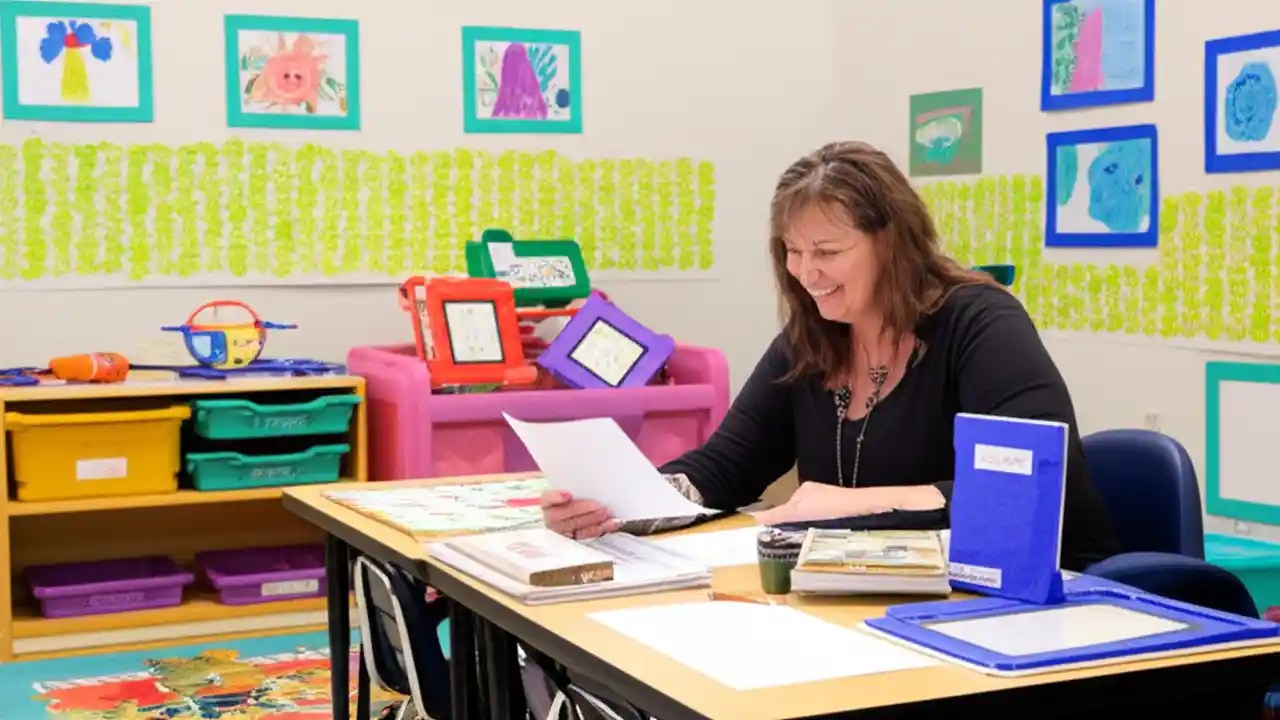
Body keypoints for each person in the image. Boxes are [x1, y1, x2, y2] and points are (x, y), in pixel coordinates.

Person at [541, 141, 1120, 572]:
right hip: (885, 593)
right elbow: (722, 470)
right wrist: (617, 506)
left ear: (892, 243)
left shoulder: (979, 323)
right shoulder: (813, 340)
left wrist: (848, 503)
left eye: (827, 251)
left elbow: (1025, 485)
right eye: (791, 251)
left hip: (1038, 596)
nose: (805, 272)